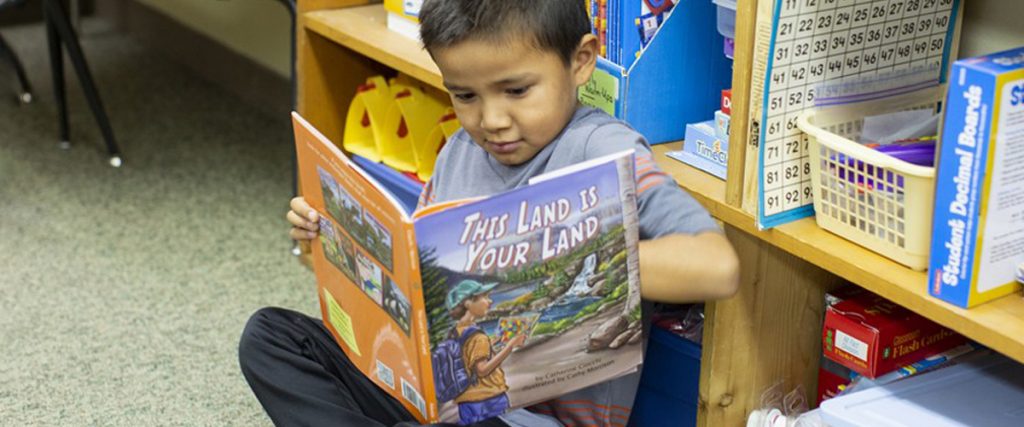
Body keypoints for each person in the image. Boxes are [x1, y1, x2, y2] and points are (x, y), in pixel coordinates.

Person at [240, 0, 740, 426]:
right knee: (271, 336)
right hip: (432, 395)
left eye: (517, 91)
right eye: (465, 96)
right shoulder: (460, 152)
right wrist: (335, 237)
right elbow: (419, 276)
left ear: (581, 61)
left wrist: (572, 257)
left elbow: (717, 267)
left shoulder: (606, 151)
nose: (491, 120)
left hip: (524, 419)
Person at [443, 280, 527, 424]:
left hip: (467, 401)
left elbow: (466, 355)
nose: (490, 301)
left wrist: (491, 343)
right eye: (485, 297)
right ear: (468, 303)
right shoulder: (478, 337)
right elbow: (482, 370)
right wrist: (510, 346)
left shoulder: (457, 331)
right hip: (488, 401)